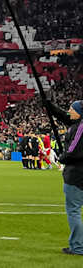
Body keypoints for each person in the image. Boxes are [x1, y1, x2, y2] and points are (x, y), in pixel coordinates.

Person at [55, 100, 83, 255]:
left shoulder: (80, 127)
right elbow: (64, 116)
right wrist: (50, 107)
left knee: (74, 211)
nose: (69, 111)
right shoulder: (78, 123)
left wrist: (62, 157)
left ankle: (78, 247)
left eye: (72, 109)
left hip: (76, 175)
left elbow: (72, 151)